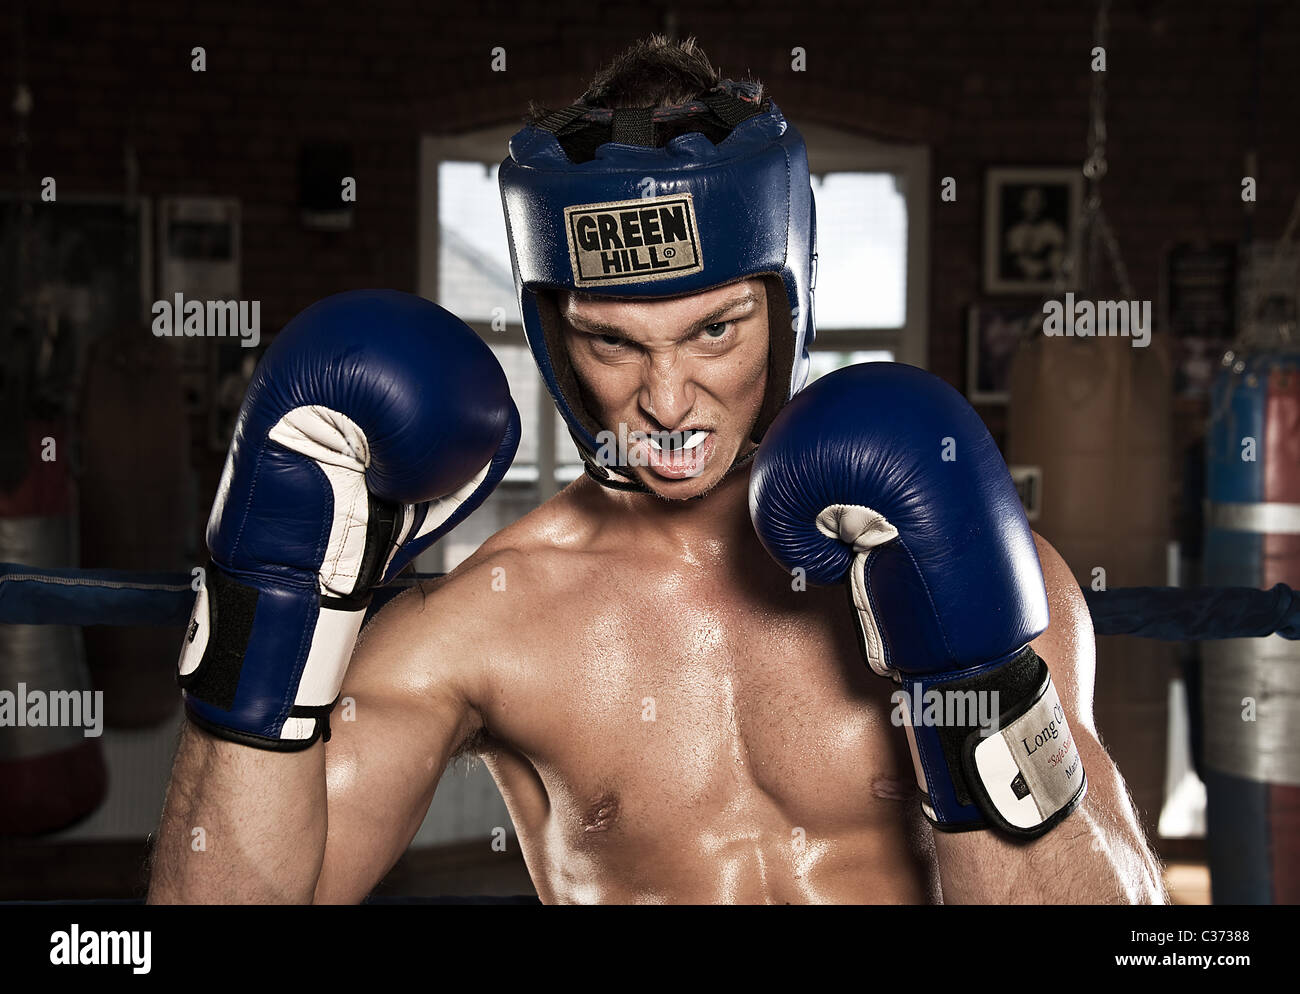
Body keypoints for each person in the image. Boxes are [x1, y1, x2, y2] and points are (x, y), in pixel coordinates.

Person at [148, 36, 1164, 904]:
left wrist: (973, 671)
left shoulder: (971, 560)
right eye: (613, 343)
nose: (668, 400)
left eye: (715, 329)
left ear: (787, 303)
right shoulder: (488, 619)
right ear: (554, 335)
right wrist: (267, 595)